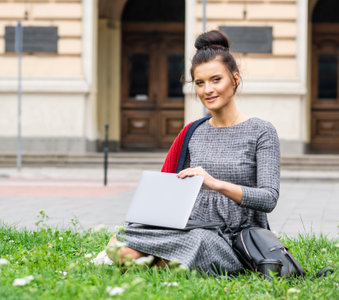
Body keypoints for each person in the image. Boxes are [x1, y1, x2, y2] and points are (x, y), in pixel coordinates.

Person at [107, 29, 280, 275]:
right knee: (119, 247)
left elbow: (269, 198)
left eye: (216, 79)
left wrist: (215, 184)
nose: (207, 89)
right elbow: (172, 186)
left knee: (195, 244)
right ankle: (161, 262)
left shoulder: (261, 131)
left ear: (235, 79)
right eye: (200, 82)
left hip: (232, 236)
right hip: (188, 224)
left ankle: (161, 264)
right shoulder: (193, 131)